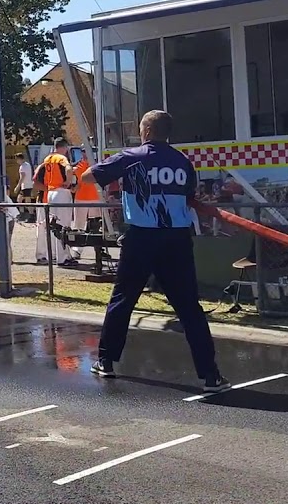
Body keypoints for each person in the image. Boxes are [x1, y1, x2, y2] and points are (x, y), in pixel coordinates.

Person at [81, 110, 230, 393]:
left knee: (123, 300)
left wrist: (117, 176)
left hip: (142, 236)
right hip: (177, 238)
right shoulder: (183, 162)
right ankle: (210, 375)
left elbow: (89, 177)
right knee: (189, 308)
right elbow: (189, 196)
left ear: (146, 131)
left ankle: (107, 361)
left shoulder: (131, 157)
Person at [34, 138, 79, 267]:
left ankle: (57, 255)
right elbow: (68, 168)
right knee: (63, 226)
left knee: (55, 226)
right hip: (61, 191)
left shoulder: (47, 159)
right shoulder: (60, 157)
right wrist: (68, 182)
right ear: (64, 147)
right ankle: (62, 258)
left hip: (50, 193)